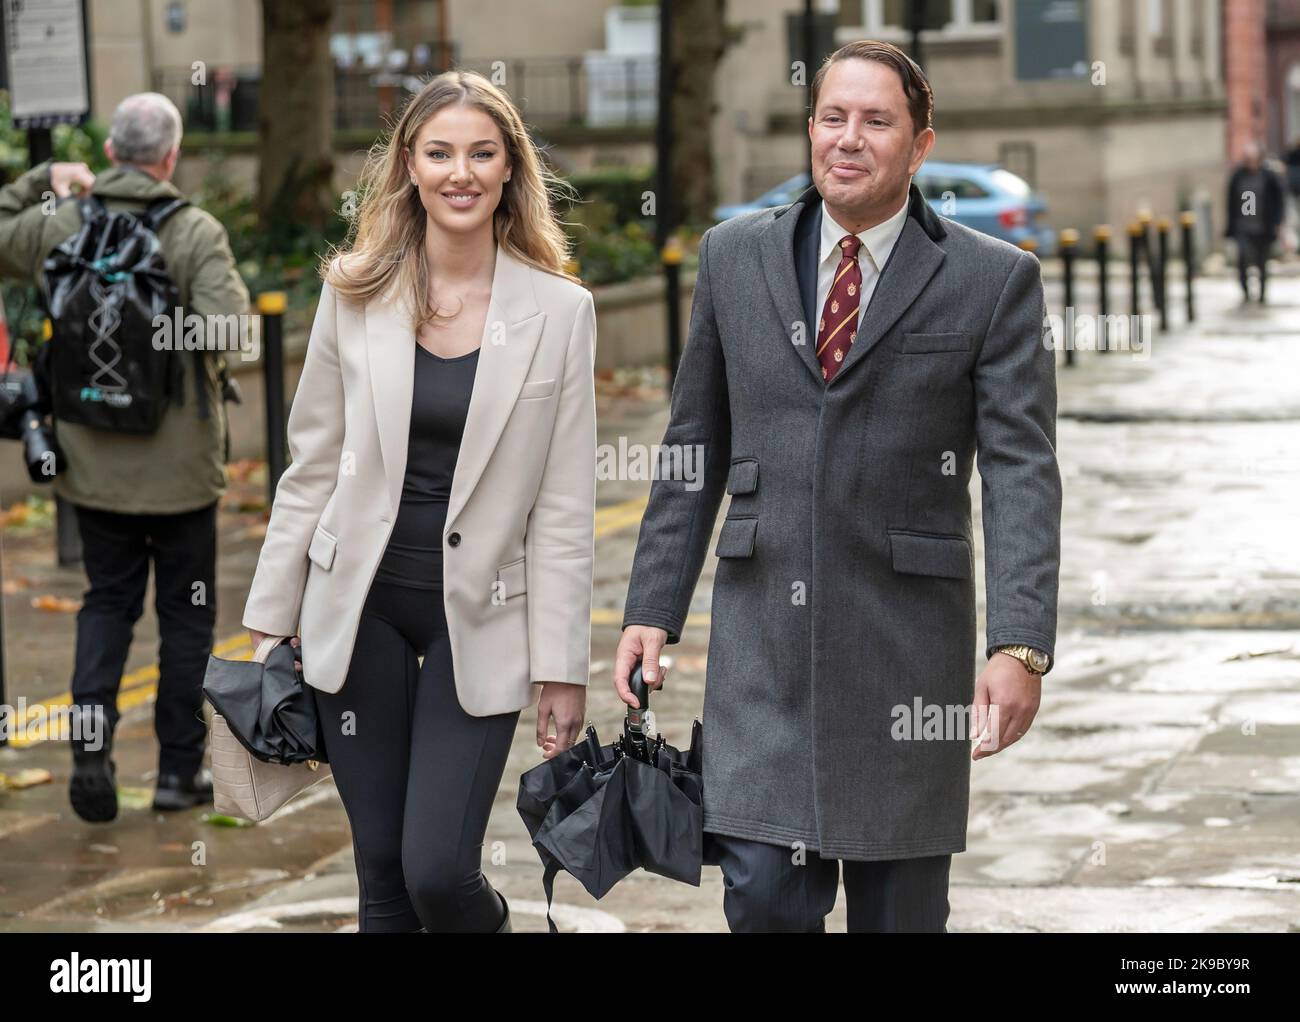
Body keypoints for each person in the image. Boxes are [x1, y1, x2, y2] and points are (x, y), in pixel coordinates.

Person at [616, 40, 1061, 932]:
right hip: (760, 664)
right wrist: (649, 607)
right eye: (831, 117)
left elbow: (1021, 468)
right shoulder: (731, 258)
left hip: (906, 666)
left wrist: (1020, 644)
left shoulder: (993, 279)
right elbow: (690, 446)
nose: (847, 139)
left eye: (876, 121)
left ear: (920, 144)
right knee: (765, 907)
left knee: (900, 918)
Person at [242, 70, 596, 933]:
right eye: (439, 153)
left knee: (438, 871)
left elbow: (563, 509)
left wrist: (562, 665)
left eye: (482, 153)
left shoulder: (562, 311)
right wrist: (268, 616)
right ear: (409, 164)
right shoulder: (354, 291)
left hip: (481, 617)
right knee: (384, 879)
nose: (460, 173)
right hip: (357, 608)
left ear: (511, 167)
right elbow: (311, 465)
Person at [0, 93, 248, 822]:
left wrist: (46, 177)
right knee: (186, 621)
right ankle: (177, 773)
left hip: (88, 464)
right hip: (179, 477)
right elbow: (229, 331)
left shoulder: (62, 219)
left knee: (104, 606)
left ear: (109, 153)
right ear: (169, 158)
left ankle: (89, 752)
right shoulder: (196, 231)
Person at [1225, 140, 1285, 304]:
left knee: (1262, 261)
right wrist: (1230, 225)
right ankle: (1245, 291)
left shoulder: (1269, 177)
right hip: (1243, 225)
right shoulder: (1238, 177)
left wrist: (1278, 222)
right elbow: (1230, 202)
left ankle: (1262, 293)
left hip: (1263, 226)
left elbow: (1278, 200)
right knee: (1243, 258)